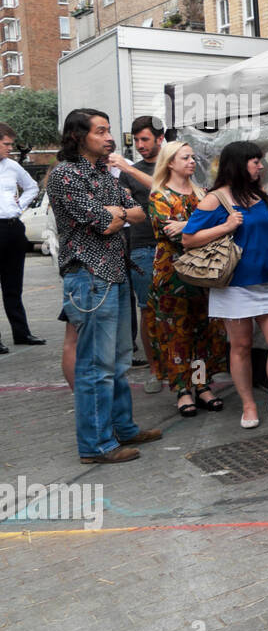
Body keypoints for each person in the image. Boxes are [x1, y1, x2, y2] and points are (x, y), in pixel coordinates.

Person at [45, 109, 162, 463]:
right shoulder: (65, 175)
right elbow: (102, 221)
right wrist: (118, 215)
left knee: (119, 359)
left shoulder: (104, 172)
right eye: (101, 131)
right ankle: (96, 445)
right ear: (79, 137)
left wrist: (118, 214)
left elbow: (140, 212)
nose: (109, 137)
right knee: (95, 365)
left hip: (114, 273)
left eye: (109, 130)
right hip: (89, 275)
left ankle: (123, 427)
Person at [182, 141, 268, 429]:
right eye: (255, 162)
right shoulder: (216, 199)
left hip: (267, 281)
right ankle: (249, 406)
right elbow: (188, 239)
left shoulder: (259, 195)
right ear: (239, 164)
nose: (261, 166)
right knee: (241, 346)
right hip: (234, 285)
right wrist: (226, 227)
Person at [145, 141, 229, 418]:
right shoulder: (160, 196)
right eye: (185, 157)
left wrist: (188, 225)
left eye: (193, 157)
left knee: (201, 333)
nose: (192, 161)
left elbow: (219, 225)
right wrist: (196, 226)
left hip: (203, 274)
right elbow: (174, 234)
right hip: (172, 276)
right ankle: (182, 389)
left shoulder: (201, 192)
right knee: (176, 334)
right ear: (170, 162)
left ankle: (201, 384)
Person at [111, 116, 165, 391]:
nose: (140, 145)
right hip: (142, 246)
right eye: (136, 140)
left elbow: (166, 192)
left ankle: (194, 374)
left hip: (177, 245)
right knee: (149, 310)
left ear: (160, 138)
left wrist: (130, 170)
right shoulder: (127, 173)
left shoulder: (174, 163)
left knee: (186, 308)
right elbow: (126, 209)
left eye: (145, 139)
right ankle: (156, 370)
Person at [0, 123, 43, 352]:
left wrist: (21, 205)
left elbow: (32, 187)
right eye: (6, 144)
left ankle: (22, 333)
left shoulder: (13, 166)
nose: (10, 148)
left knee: (13, 285)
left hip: (13, 228)